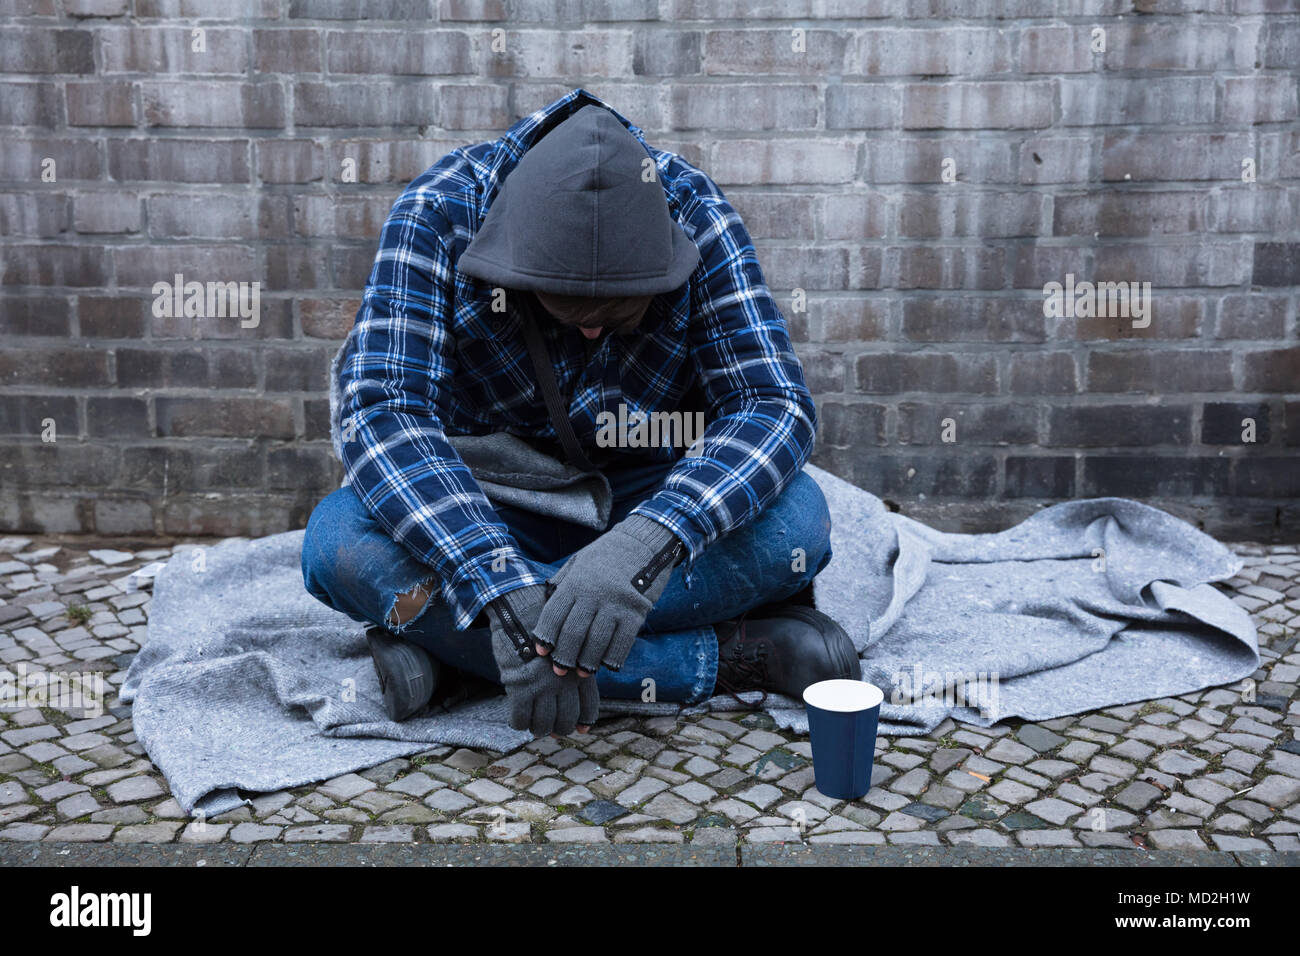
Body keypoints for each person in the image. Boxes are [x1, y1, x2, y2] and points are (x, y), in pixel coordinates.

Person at [301, 88, 859, 739]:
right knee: (335, 544)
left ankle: (462, 656)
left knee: (803, 523)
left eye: (620, 312)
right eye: (570, 310)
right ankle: (726, 656)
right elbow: (384, 413)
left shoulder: (695, 211)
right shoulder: (436, 214)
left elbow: (774, 405)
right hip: (488, 502)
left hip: (653, 488)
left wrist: (649, 545)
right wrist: (495, 584)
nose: (594, 335)